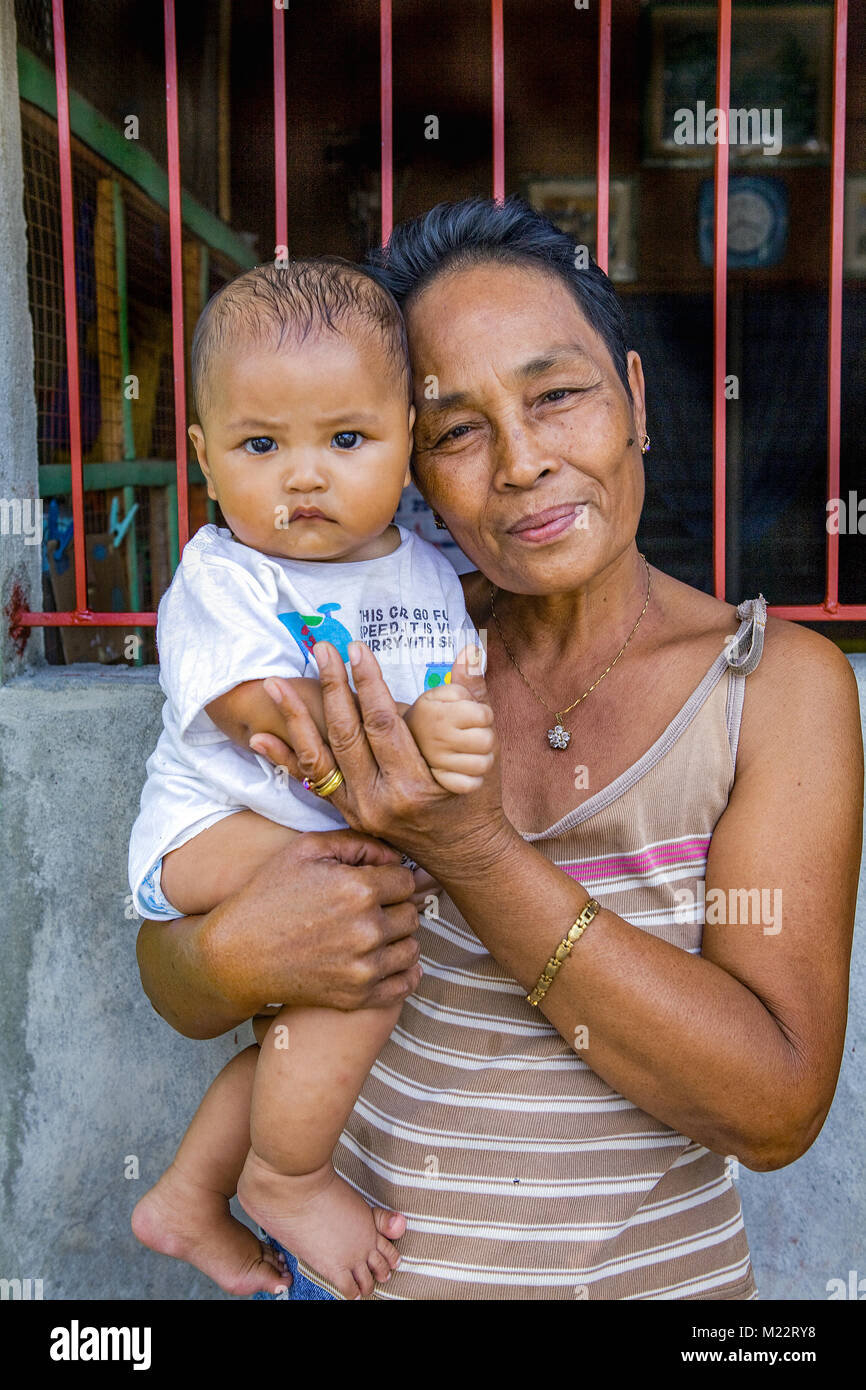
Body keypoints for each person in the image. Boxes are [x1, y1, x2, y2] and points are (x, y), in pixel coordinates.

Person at [136, 196, 863, 1300]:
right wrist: (246, 949)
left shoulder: (769, 688)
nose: (520, 462)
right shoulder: (381, 657)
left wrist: (465, 848)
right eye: (455, 431)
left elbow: (772, 1109)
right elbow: (175, 972)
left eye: (556, 395)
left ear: (632, 396)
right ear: (410, 468)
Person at [128, 257, 491, 1299]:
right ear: (200, 458)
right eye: (258, 444)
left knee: (317, 1012)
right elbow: (268, 722)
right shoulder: (225, 575)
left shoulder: (425, 574)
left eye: (344, 439)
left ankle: (188, 1197)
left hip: (310, 842)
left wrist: (454, 731)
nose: (302, 477)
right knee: (364, 940)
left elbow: (450, 710)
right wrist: (416, 733)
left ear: (407, 444)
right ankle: (286, 1178)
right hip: (209, 834)